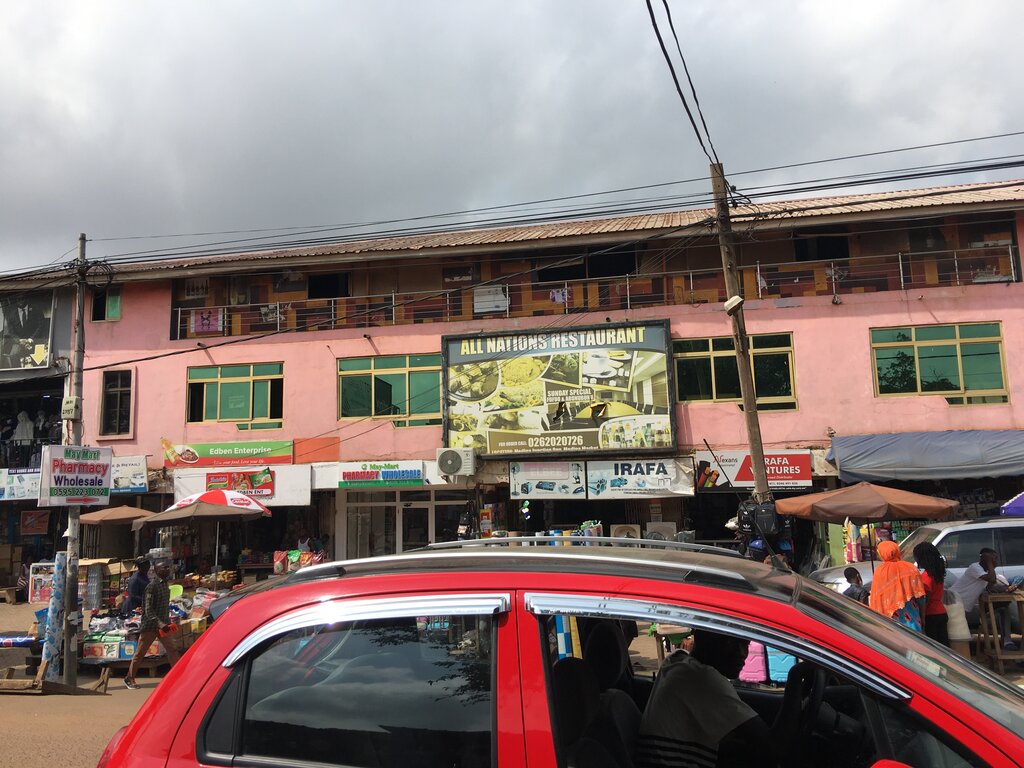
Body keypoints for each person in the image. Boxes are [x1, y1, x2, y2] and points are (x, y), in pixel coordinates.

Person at [635, 629, 780, 768]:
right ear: (702, 638)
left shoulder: (677, 661)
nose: (741, 653)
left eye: (746, 644)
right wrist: (796, 679)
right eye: (730, 642)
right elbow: (771, 747)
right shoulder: (702, 678)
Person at [125, 558, 181, 689]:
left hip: (163, 626)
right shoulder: (151, 586)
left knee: (172, 649)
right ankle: (129, 677)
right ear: (156, 571)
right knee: (140, 653)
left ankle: (178, 675)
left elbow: (164, 607)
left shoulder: (165, 585)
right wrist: (160, 623)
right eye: (164, 568)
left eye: (168, 567)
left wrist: (167, 622)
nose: (167, 569)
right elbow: (148, 610)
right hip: (150, 626)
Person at [948, 547, 1018, 650]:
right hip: (952, 601)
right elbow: (992, 579)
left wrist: (1006, 589)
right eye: (993, 559)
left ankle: (1007, 643)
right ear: (985, 559)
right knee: (955, 636)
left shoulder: (985, 572)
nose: (996, 561)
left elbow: (991, 586)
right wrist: (990, 564)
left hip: (960, 604)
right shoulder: (975, 567)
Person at [868, 540, 926, 631]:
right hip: (913, 620)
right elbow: (921, 598)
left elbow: (877, 599)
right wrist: (923, 618)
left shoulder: (879, 572)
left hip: (891, 622)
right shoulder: (911, 568)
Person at [913, 542, 949, 646]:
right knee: (943, 646)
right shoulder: (938, 572)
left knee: (933, 647)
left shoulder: (926, 576)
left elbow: (925, 600)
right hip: (941, 612)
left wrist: (922, 617)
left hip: (930, 615)